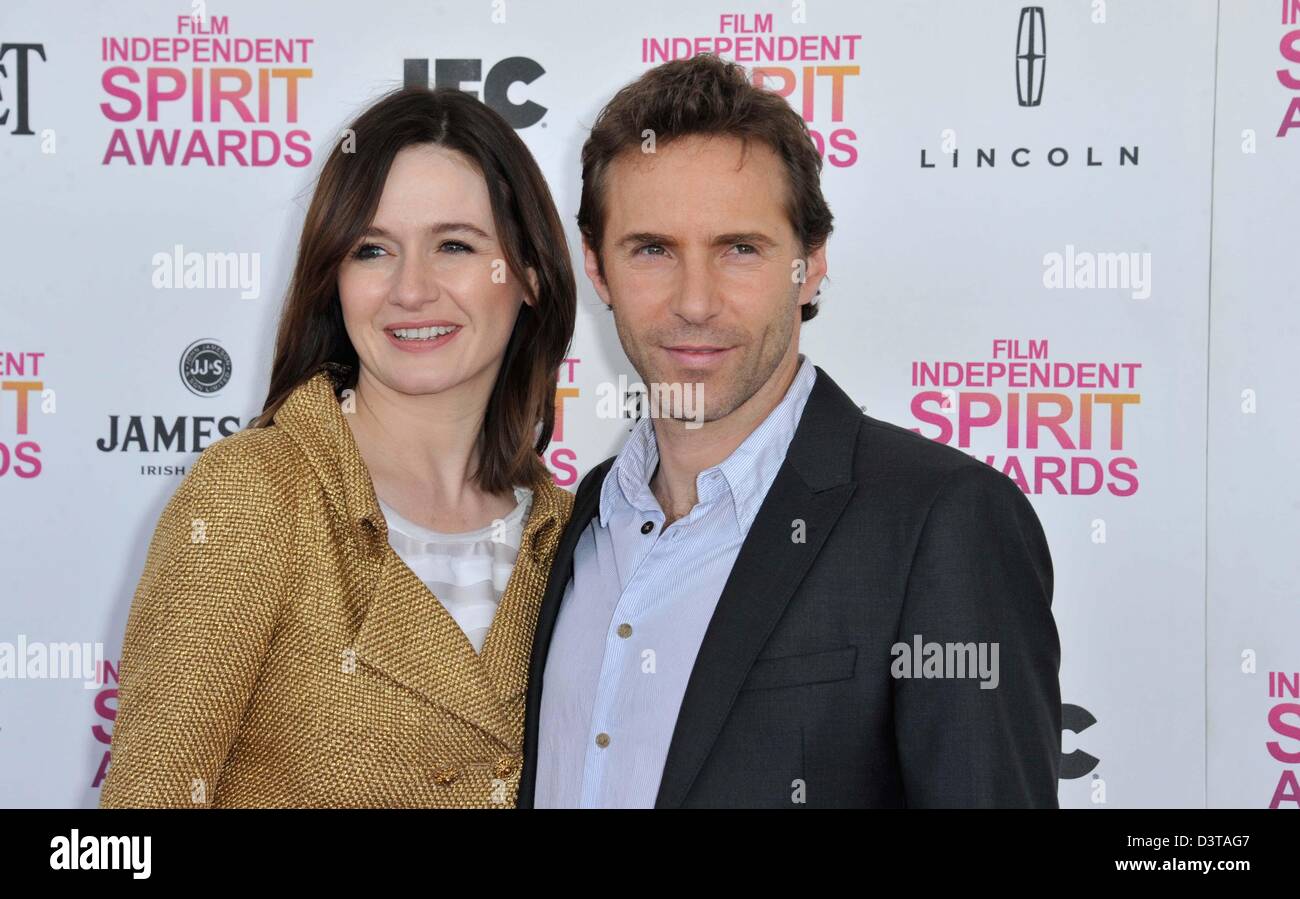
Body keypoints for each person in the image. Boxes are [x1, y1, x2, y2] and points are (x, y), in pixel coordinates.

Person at [521, 54, 1061, 808]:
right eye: (653, 250)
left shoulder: (940, 520)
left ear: (809, 266)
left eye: (740, 248)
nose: (696, 302)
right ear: (597, 269)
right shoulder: (576, 522)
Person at [100, 86, 576, 808]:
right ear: (335, 280)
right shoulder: (252, 494)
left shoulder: (575, 536)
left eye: (454, 245)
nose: (411, 289)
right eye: (373, 249)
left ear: (530, 274)